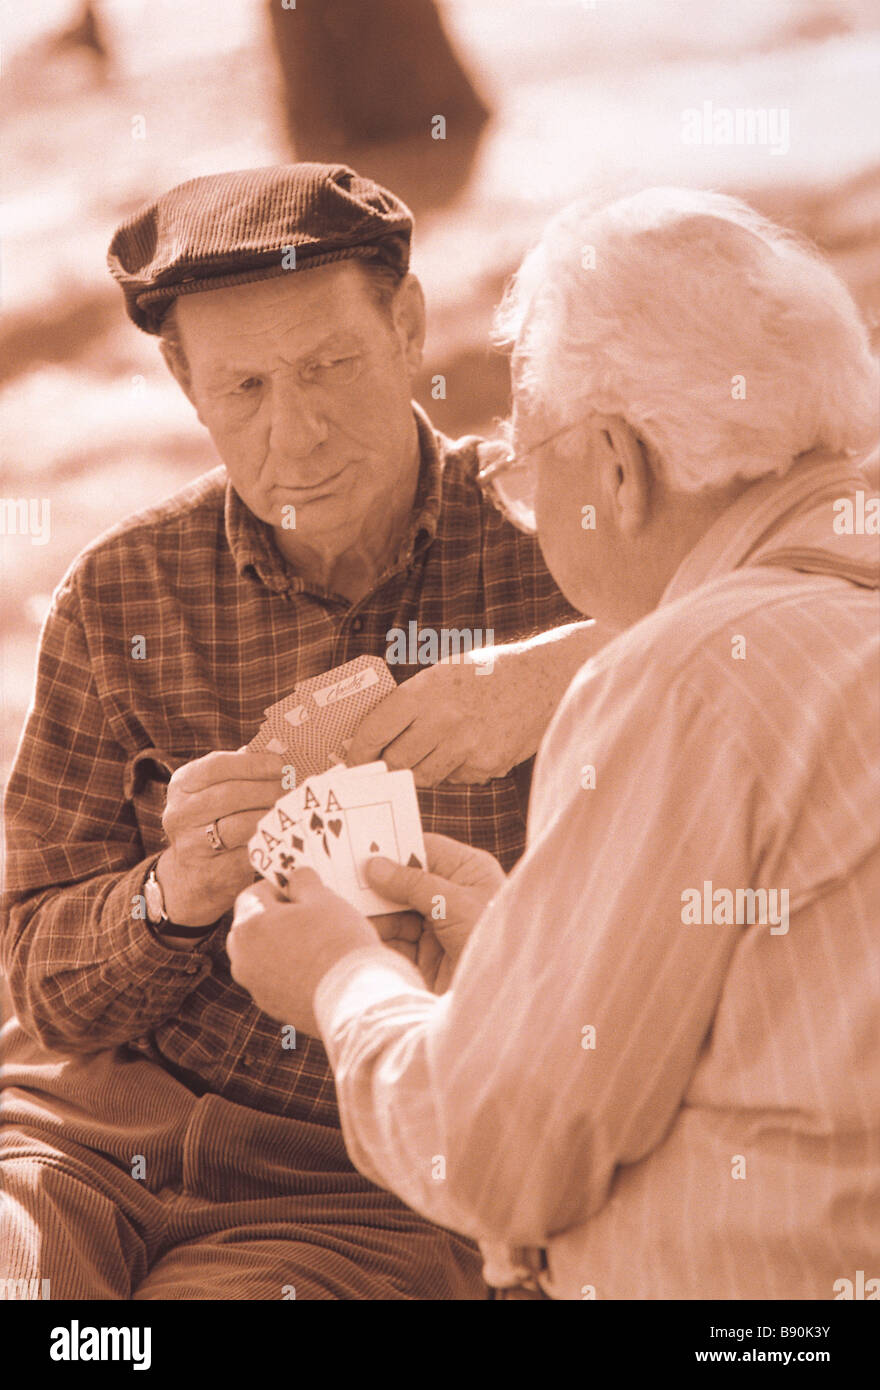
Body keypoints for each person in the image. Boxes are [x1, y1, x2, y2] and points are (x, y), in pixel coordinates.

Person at [227, 186, 880, 1300]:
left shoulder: (685, 678)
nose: (525, 510)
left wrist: (341, 975)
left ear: (617, 465)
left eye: (528, 472)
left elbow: (493, 1156)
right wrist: (515, 962)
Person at [0, 163, 605, 1300]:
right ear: (185, 383)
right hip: (84, 1140)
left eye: (329, 366)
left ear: (408, 325)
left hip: (359, 1172)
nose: (299, 433)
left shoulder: (570, 542)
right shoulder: (122, 594)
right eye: (245, 386)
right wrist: (170, 896)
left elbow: (814, 580)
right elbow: (41, 985)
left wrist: (567, 665)